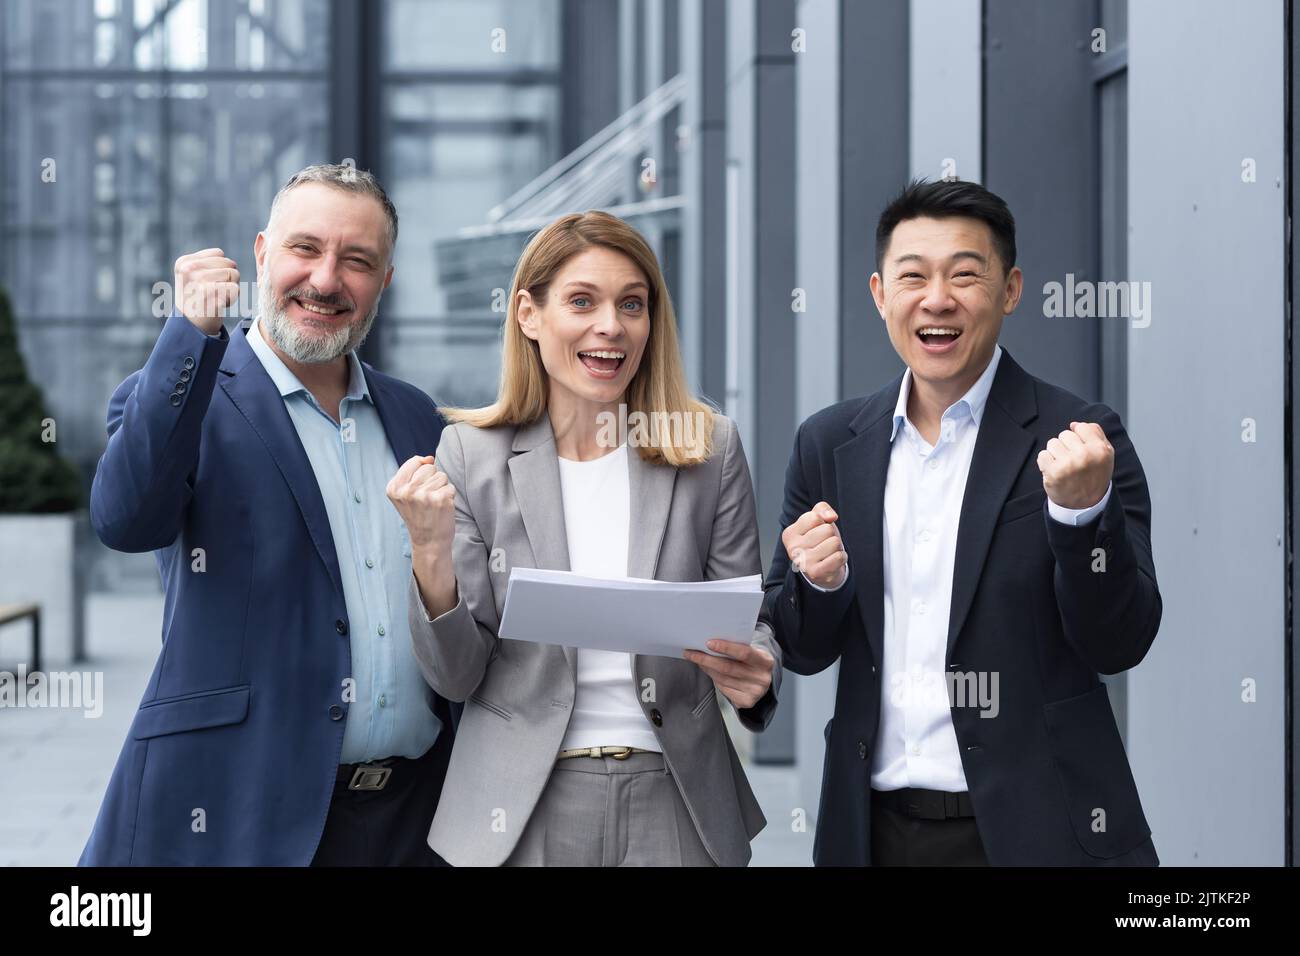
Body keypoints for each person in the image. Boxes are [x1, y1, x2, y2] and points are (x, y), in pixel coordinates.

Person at [764, 178, 1162, 866]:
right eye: (912, 276)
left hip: (1038, 830)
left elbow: (1118, 640)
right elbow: (797, 648)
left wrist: (1080, 514)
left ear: (1009, 291)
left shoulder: (1082, 438)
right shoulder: (829, 444)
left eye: (965, 275)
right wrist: (819, 584)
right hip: (870, 832)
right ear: (880, 294)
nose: (937, 299)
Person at [80, 163, 457, 866]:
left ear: (385, 282)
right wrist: (190, 334)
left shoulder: (418, 418)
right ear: (261, 254)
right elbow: (126, 521)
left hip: (410, 823)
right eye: (305, 249)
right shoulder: (179, 394)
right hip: (239, 816)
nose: (325, 280)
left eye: (357, 261)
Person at [387, 210, 781, 866]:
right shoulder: (470, 454)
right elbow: (456, 676)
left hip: (676, 798)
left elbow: (750, 618)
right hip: (522, 806)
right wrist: (429, 555)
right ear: (528, 314)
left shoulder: (708, 449)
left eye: (633, 304)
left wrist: (756, 673)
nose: (611, 326)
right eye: (581, 301)